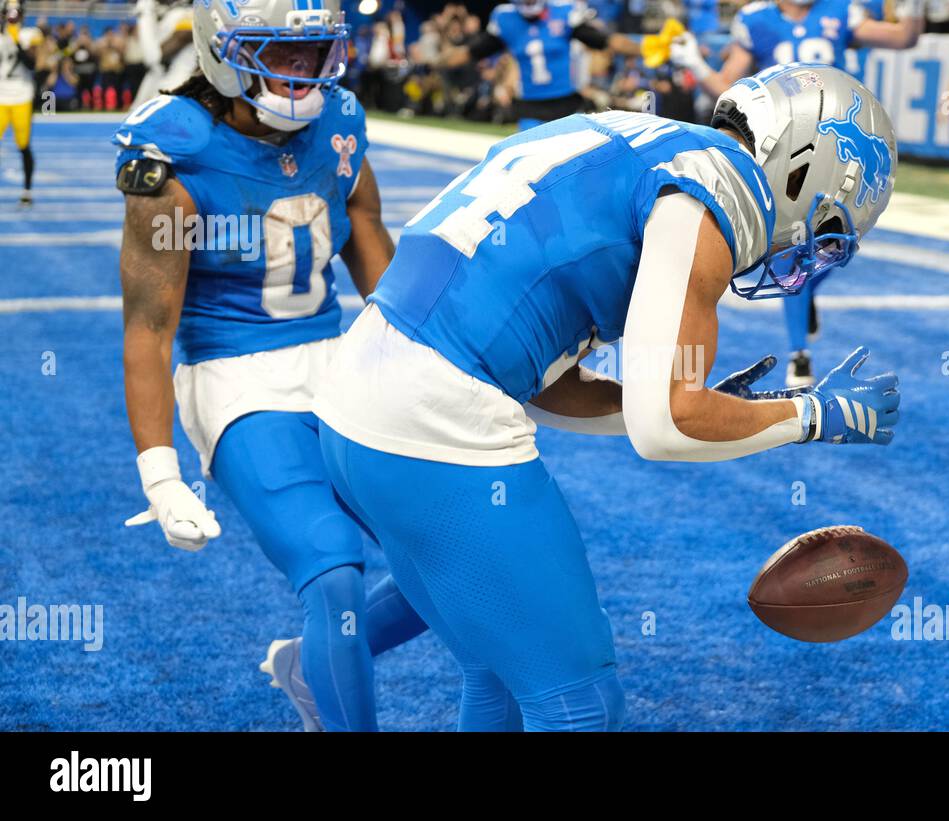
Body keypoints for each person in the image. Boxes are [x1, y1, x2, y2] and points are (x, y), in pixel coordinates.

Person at [311, 64, 902, 732]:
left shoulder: (638, 135)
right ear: (804, 167)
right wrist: (813, 414)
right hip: (432, 417)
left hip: (356, 401)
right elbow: (666, 425)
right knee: (579, 704)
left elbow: (548, 379)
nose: (806, 249)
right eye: (822, 224)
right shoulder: (722, 183)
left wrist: (686, 404)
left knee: (502, 675)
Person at [115, 0, 395, 731]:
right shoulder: (178, 155)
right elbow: (149, 328)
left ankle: (309, 663)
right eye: (277, 51)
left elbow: (364, 228)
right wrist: (160, 471)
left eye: (314, 52)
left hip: (340, 359)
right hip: (237, 376)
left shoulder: (341, 120)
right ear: (222, 51)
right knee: (333, 570)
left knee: (458, 554)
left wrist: (417, 349)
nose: (301, 73)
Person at [670, 0, 924, 389]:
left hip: (837, 147)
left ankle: (805, 297)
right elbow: (730, 88)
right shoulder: (756, 19)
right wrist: (698, 66)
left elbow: (904, 37)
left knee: (840, 241)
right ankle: (798, 353)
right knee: (795, 249)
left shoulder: (839, 11)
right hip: (785, 151)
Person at [432, 0, 642, 130]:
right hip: (529, 107)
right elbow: (469, 53)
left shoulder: (564, 12)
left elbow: (608, 41)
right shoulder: (506, 18)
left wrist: (648, 48)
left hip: (566, 102)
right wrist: (435, 60)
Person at [0, 0, 40, 206]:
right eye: (8, 13)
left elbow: (32, 63)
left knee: (23, 145)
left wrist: (15, 41)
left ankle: (27, 190)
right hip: (0, 96)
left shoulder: (29, 34)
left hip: (22, 95)